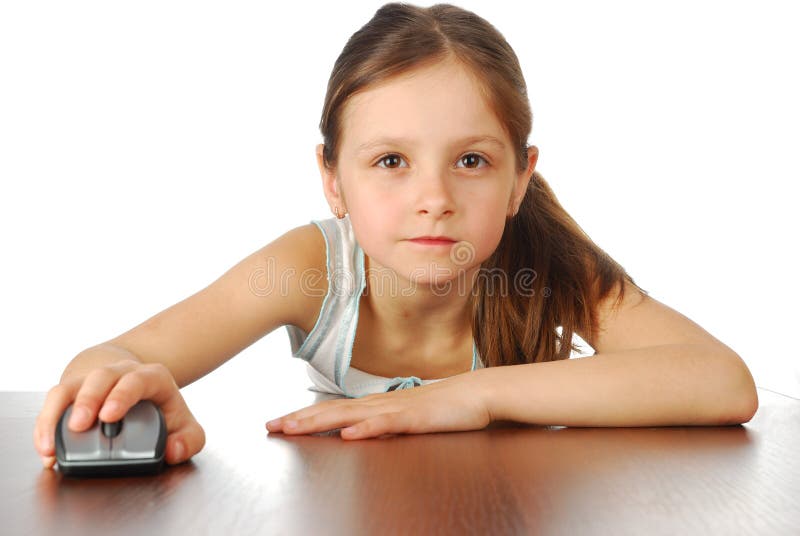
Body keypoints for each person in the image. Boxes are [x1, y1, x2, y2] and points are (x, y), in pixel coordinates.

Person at [33, 2, 758, 469]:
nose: (434, 200)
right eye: (390, 162)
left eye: (471, 161)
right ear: (332, 178)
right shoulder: (311, 270)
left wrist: (474, 396)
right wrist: (118, 383)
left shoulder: (546, 265)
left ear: (518, 179)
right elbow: (121, 353)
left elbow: (722, 381)